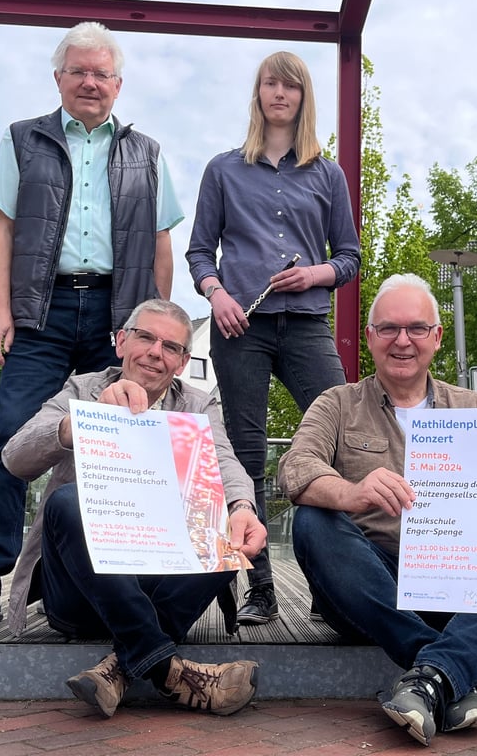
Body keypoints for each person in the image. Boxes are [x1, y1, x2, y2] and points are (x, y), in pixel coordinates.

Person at [0, 22, 184, 628]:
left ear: (118, 84)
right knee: (12, 438)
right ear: (59, 78)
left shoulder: (147, 152)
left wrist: (155, 329)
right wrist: (0, 311)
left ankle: (113, 565)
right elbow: (1, 229)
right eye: (79, 71)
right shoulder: (23, 140)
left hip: (116, 315)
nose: (90, 82)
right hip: (41, 312)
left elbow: (159, 243)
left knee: (124, 443)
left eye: (102, 73)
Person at [277, 273, 477, 747]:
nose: (403, 341)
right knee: (314, 519)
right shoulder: (336, 403)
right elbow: (295, 469)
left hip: (460, 587)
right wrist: (351, 492)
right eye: (389, 329)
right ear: (370, 337)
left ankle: (431, 677)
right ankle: (449, 667)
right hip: (371, 586)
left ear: (437, 337)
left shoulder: (474, 408)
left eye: (417, 328)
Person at [2, 299, 266, 718]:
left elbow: (225, 461)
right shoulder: (81, 389)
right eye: (145, 337)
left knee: (233, 531)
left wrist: (242, 506)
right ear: (121, 341)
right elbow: (15, 457)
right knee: (67, 502)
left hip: (160, 582)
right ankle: (172, 674)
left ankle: (122, 668)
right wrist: (80, 422)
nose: (155, 352)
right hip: (80, 591)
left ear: (182, 363)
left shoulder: (198, 404)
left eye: (171, 347)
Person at [185, 50, 361, 625]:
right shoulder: (223, 169)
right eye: (270, 83)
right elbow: (198, 252)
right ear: (258, 93)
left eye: (291, 84)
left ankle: (337, 588)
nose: (279, 92)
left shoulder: (327, 173)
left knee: (342, 443)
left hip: (308, 325)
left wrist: (315, 273)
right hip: (243, 328)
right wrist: (217, 294)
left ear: (303, 96)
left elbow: (351, 258)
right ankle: (259, 588)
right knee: (244, 453)